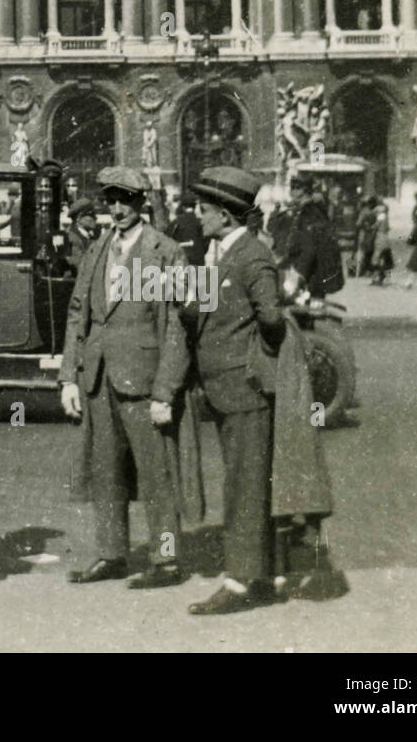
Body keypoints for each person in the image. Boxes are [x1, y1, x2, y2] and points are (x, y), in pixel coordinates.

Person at [60, 166, 196, 590]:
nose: (117, 209)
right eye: (110, 200)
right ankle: (112, 554)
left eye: (126, 200)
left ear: (143, 202)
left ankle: (166, 560)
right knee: (106, 472)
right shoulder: (99, 248)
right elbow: (77, 312)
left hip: (144, 380)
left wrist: (165, 390)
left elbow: (177, 326)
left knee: (157, 474)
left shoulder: (165, 251)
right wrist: (69, 377)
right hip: (99, 379)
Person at [181, 166, 286, 614]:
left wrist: (251, 358)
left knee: (243, 487)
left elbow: (272, 318)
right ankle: (262, 574)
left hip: (243, 389)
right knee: (246, 481)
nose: (196, 217)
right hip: (223, 388)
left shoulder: (252, 255)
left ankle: (240, 583)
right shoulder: (219, 253)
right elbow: (204, 310)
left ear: (224, 215)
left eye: (202, 211)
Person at [165, 191, 207, 266]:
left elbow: (166, 238)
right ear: (194, 206)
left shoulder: (177, 221)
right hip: (199, 261)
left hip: (181, 261)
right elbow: (206, 243)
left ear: (183, 207)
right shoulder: (201, 222)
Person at [66, 197, 101, 264]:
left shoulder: (88, 235)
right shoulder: (72, 239)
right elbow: (80, 266)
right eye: (91, 214)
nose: (96, 218)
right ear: (78, 218)